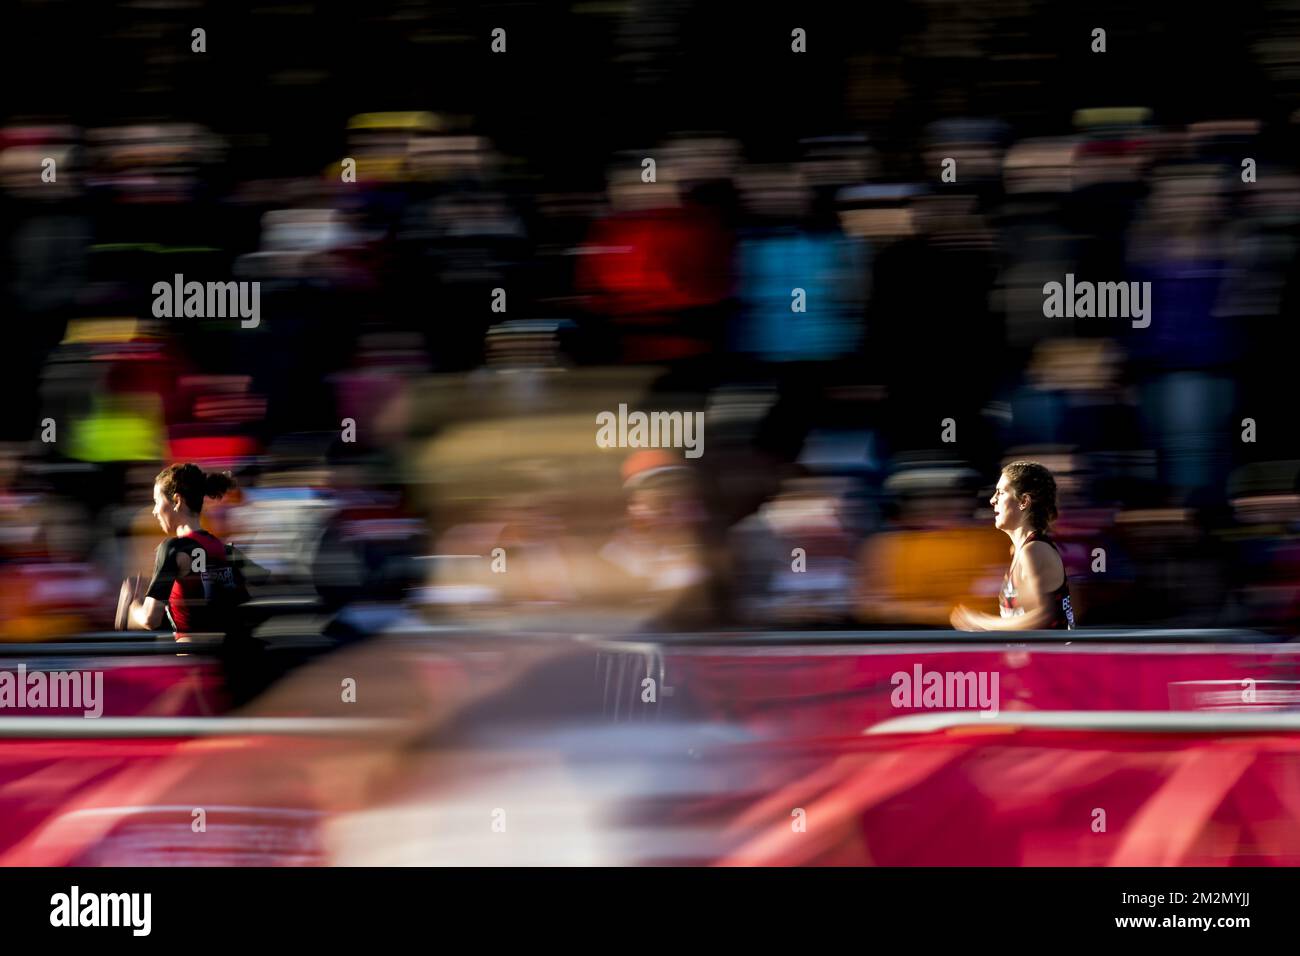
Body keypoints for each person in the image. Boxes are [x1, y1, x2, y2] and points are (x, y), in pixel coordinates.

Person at [119, 463, 245, 640]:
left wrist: (132, 607)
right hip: (226, 651)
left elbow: (150, 619)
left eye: (157, 502)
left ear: (177, 501)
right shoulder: (223, 548)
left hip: (193, 653)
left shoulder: (173, 549)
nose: (154, 511)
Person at [950, 460, 1076, 631]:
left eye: (1001, 493)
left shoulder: (1034, 550)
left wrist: (980, 623)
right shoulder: (1019, 550)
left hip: (1047, 650)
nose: (992, 500)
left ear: (1023, 501)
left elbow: (1044, 617)